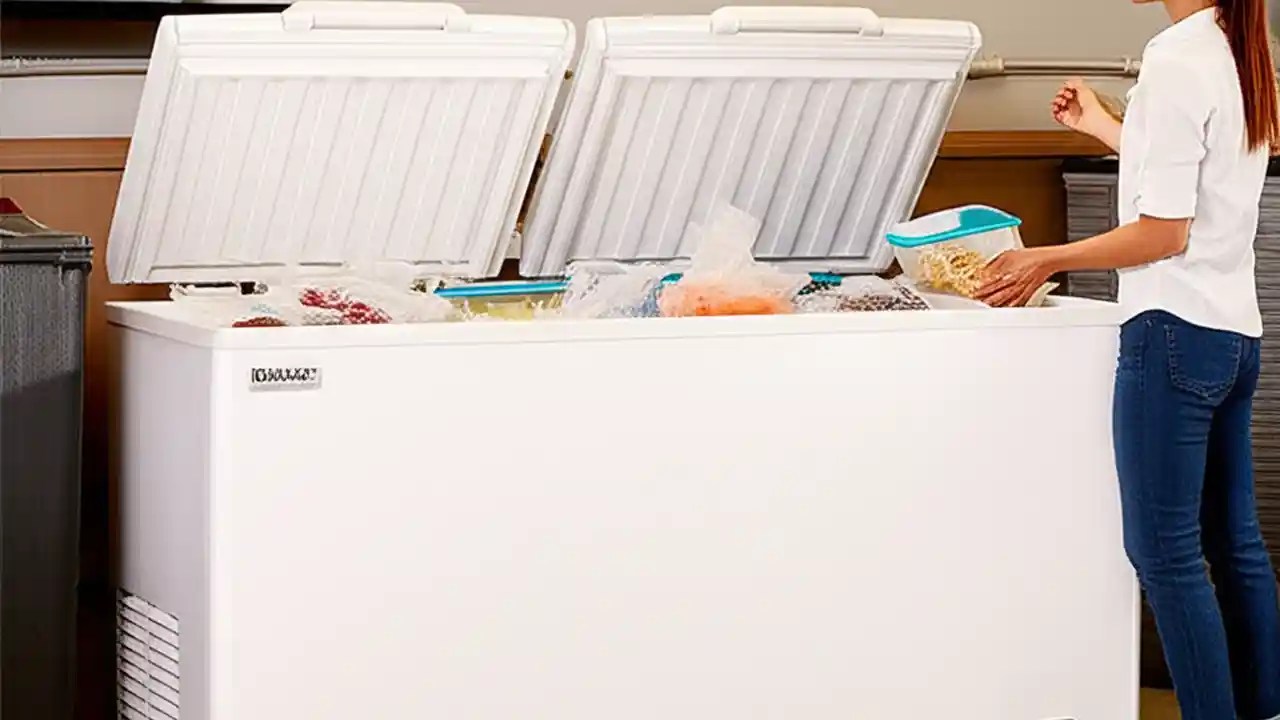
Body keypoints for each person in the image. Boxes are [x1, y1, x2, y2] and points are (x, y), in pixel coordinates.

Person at [975, 1, 1280, 718]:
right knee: (1233, 545)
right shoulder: (1239, 48)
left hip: (1171, 332)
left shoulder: (1177, 59)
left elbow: (1164, 234)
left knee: (1166, 556)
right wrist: (1104, 128)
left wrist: (1043, 257)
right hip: (1234, 335)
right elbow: (1190, 188)